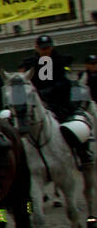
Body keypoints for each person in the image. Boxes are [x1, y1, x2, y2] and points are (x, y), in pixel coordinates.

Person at [24, 35, 93, 165]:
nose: (45, 51)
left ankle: (83, 151)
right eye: (42, 48)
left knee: (75, 122)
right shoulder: (31, 63)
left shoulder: (61, 60)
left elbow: (64, 82)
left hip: (60, 101)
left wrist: (49, 91)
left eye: (48, 48)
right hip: (39, 102)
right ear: (37, 48)